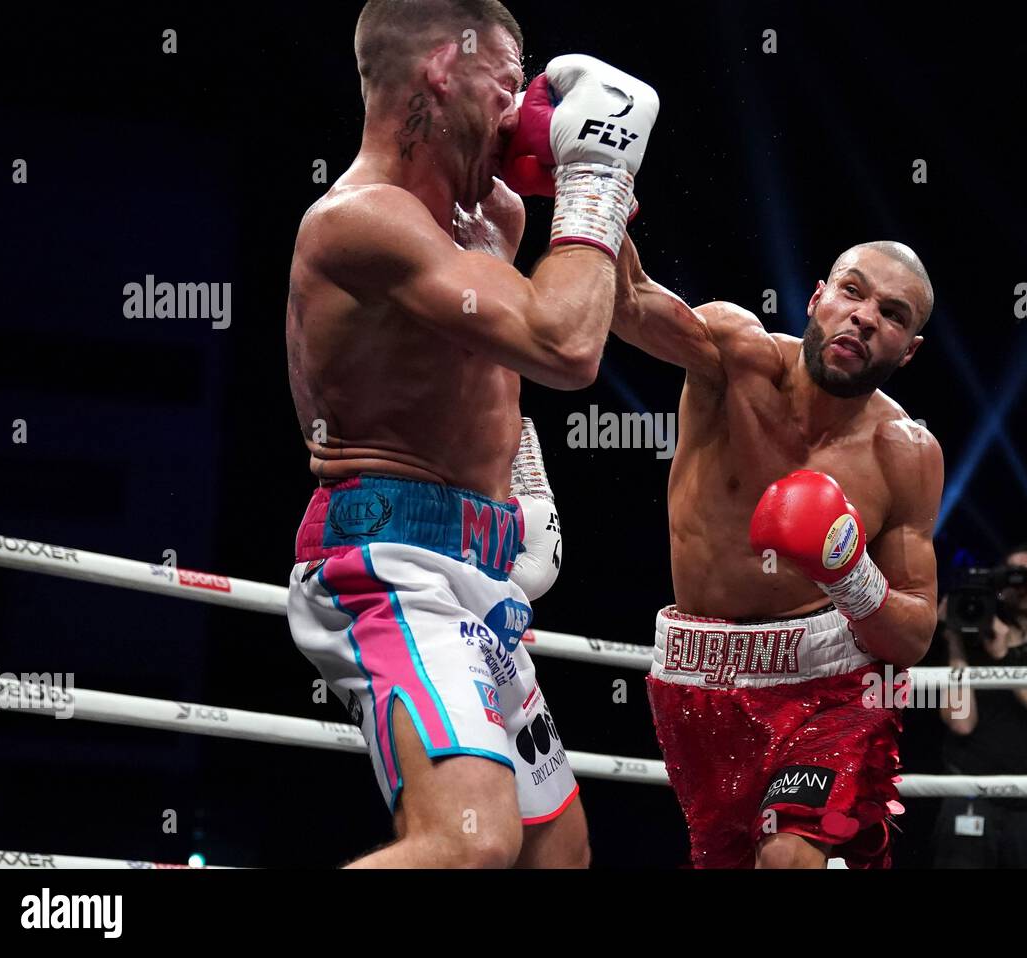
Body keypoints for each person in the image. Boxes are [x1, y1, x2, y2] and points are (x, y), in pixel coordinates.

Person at [284, 0, 659, 867]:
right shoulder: (358, 222)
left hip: (483, 571)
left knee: (554, 855)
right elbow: (566, 346)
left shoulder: (494, 217)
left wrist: (525, 493)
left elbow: (502, 372)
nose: (522, 97)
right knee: (468, 844)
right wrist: (597, 174)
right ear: (442, 69)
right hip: (386, 562)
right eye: (508, 72)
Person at [611, 235, 944, 867]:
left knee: (788, 856)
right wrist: (597, 186)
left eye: (894, 314)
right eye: (853, 291)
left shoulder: (906, 452)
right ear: (818, 297)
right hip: (697, 687)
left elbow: (914, 634)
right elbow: (626, 304)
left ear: (909, 352)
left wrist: (852, 577)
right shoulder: (733, 356)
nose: (866, 316)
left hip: (833, 690)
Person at [934, 542, 1027, 868]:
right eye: (1019, 576)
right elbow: (961, 722)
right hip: (970, 795)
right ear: (1000, 585)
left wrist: (1003, 657)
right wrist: (956, 642)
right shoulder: (968, 649)